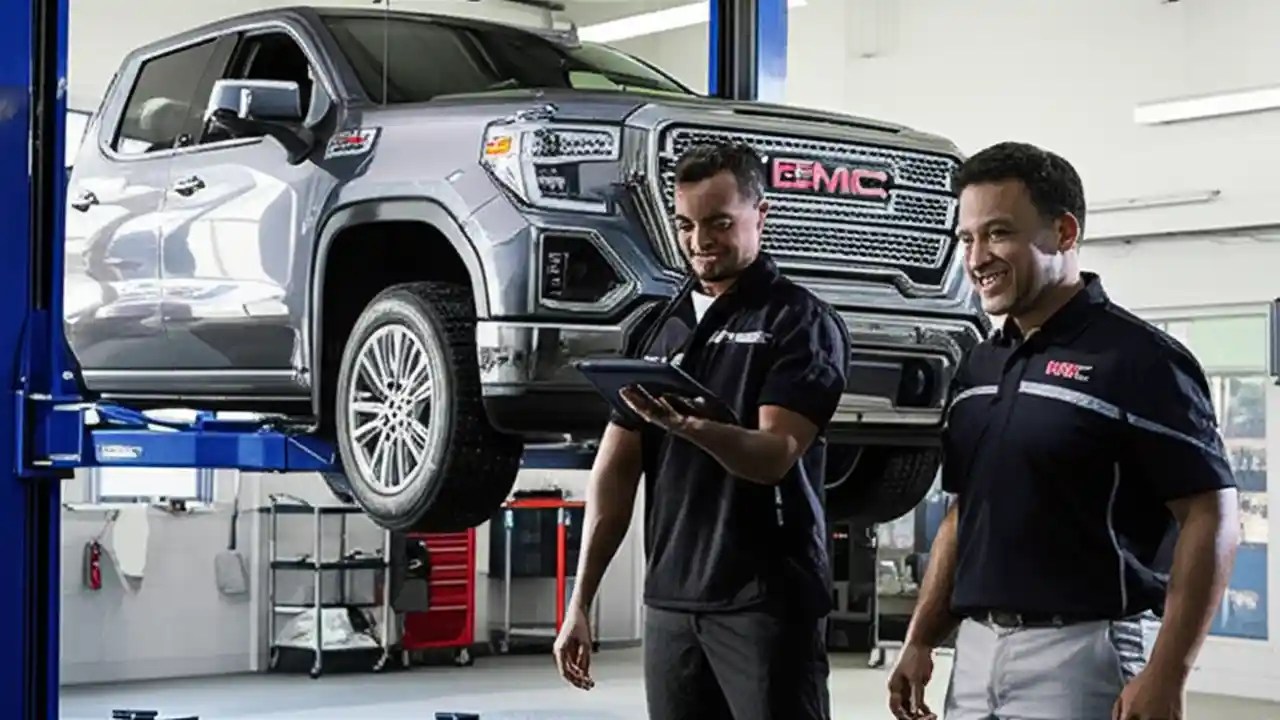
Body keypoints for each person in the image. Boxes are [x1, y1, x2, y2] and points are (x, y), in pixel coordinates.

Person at [886, 141, 1240, 720]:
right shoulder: (979, 365)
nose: (977, 258)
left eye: (998, 233)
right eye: (967, 238)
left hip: (1083, 653)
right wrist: (921, 637)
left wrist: (1168, 671)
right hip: (974, 652)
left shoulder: (1139, 359)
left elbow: (1211, 513)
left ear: (1065, 232)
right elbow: (964, 512)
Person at [551, 141, 850, 720]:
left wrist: (687, 426)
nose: (699, 241)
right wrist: (580, 600)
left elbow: (774, 455)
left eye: (718, 223)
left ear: (761, 215)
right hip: (671, 602)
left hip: (764, 603)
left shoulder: (799, 322)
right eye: (685, 225)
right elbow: (615, 471)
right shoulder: (659, 327)